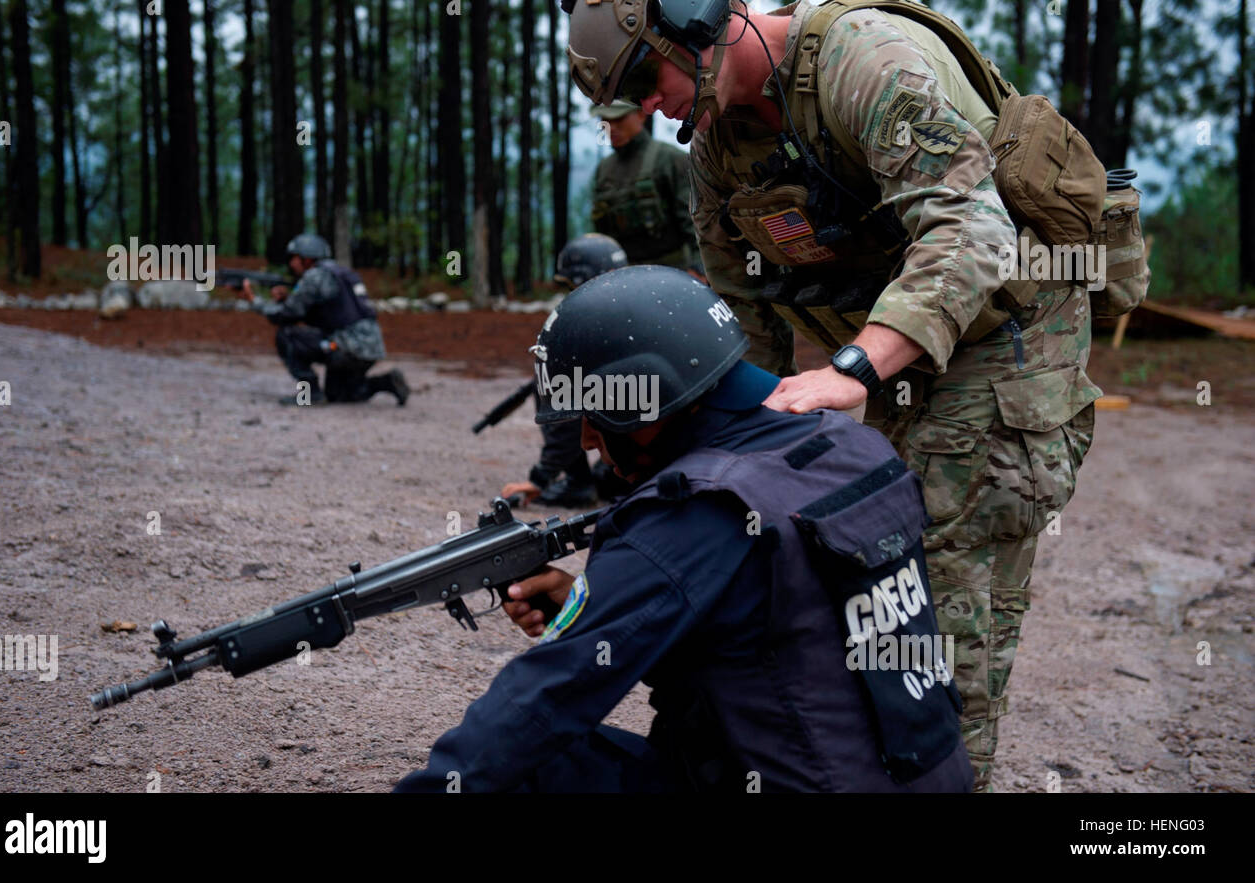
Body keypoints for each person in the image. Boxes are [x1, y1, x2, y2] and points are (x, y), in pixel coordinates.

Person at [564, 0, 1103, 790]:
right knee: (837, 579)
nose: (644, 105)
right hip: (899, 353)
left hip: (1004, 340)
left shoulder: (866, 61)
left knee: (935, 615)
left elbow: (970, 231)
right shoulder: (718, 149)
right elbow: (735, 332)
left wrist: (850, 370)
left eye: (644, 75)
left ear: (696, 21)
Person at [396, 266, 973, 793]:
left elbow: (544, 697)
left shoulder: (693, 509)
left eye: (593, 419)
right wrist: (594, 604)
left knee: (532, 765)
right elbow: (783, 636)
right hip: (923, 777)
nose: (589, 440)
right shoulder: (851, 447)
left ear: (646, 394)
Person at [500, 233, 630, 509]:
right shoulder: (635, 310)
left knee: (550, 383)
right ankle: (624, 470)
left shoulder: (588, 326)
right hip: (674, 448)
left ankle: (579, 483)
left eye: (572, 284)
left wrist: (541, 477)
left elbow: (563, 411)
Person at [245, 233, 410, 407]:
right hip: (369, 349)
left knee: (287, 335)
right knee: (339, 394)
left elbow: (286, 315)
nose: (291, 264)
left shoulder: (315, 275)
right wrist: (287, 298)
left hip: (343, 348)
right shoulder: (341, 273)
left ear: (306, 259)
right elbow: (328, 312)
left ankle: (309, 394)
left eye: (293, 258)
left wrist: (253, 301)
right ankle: (387, 382)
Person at [590, 100, 704, 276]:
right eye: (605, 120)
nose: (611, 127)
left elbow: (696, 222)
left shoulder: (670, 159)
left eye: (619, 119)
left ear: (641, 115)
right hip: (623, 276)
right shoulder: (604, 170)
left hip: (673, 272)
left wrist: (699, 267)